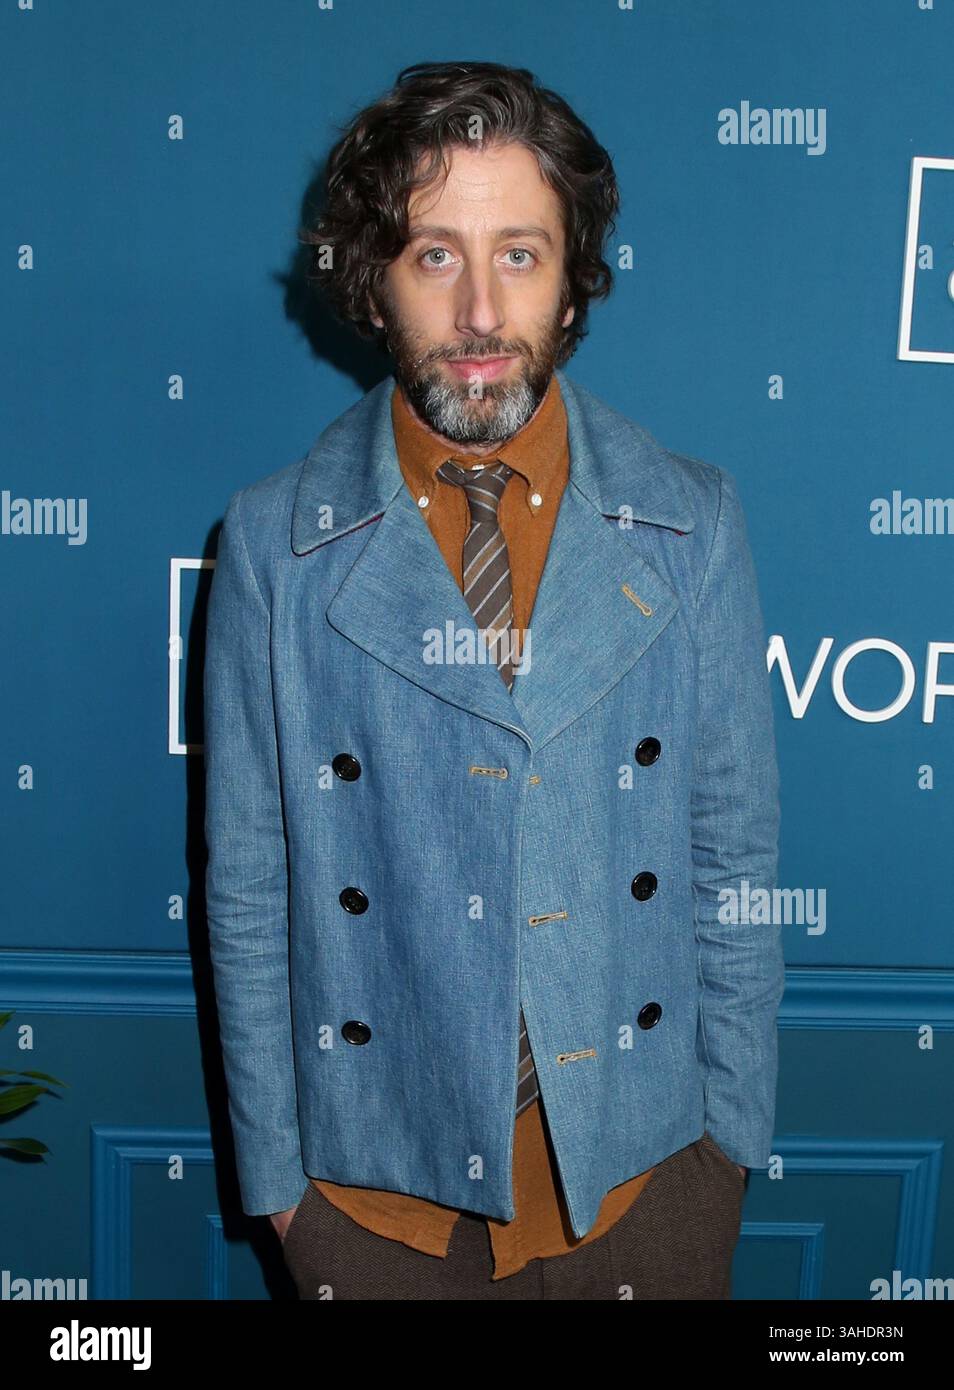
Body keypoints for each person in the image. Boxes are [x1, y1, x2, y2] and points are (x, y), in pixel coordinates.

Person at [203, 60, 782, 1301]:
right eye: (433, 256)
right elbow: (249, 888)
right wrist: (283, 1194)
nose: (477, 311)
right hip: (375, 1206)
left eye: (518, 254)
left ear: (572, 277)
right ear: (372, 277)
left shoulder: (692, 520)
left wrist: (725, 1149)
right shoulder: (272, 542)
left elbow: (734, 856)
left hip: (645, 1183)